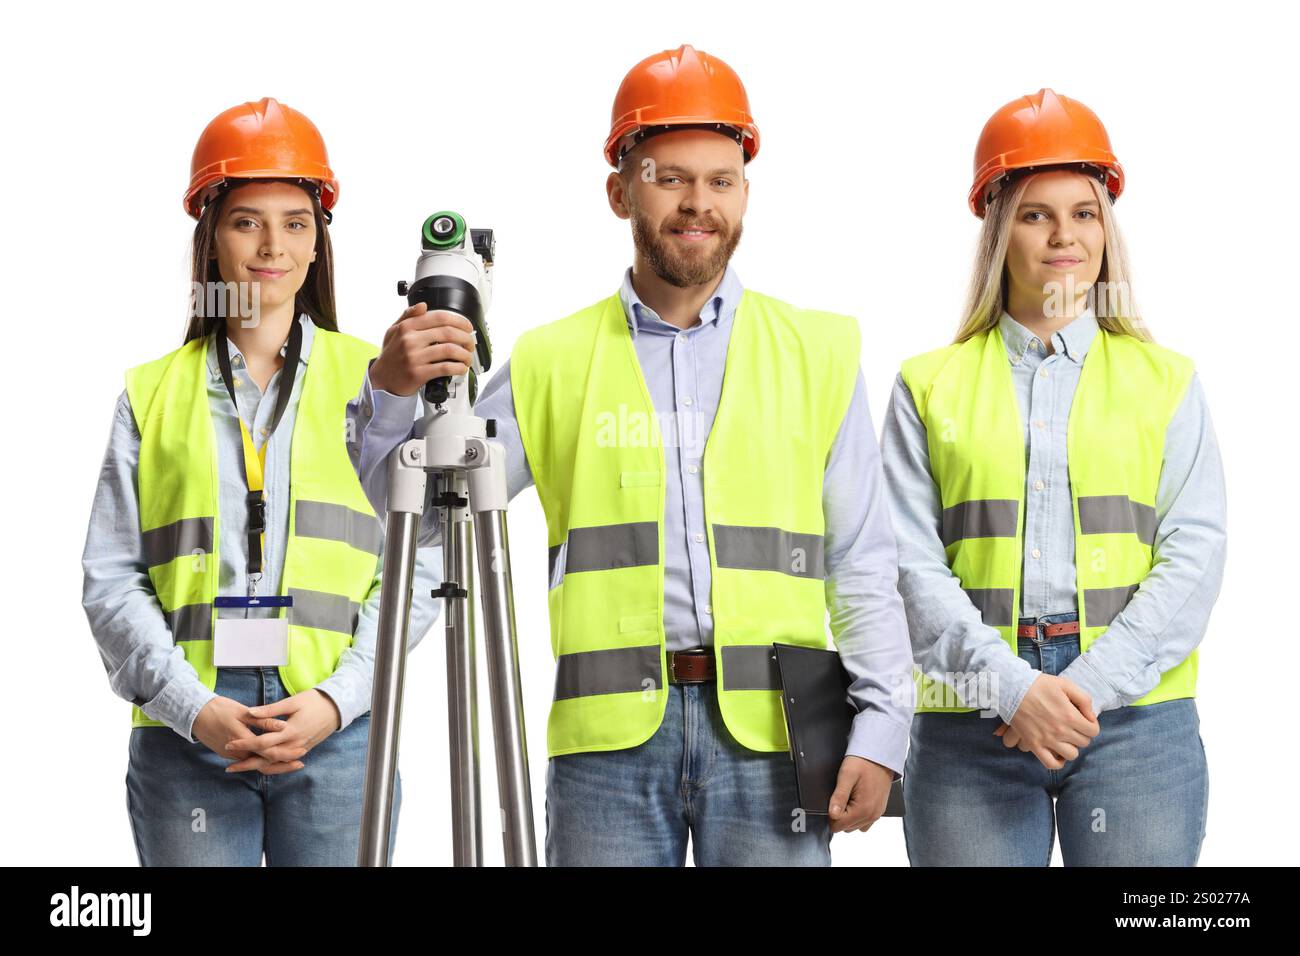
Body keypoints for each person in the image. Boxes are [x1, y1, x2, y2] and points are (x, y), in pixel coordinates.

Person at [349, 44, 914, 867]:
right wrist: (393, 392)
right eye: (670, 177)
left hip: (773, 739)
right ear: (620, 191)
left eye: (720, 180)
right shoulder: (552, 361)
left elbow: (863, 558)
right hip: (608, 750)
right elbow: (427, 522)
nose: (698, 203)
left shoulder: (819, 351)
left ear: (746, 192)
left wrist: (884, 726)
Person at [80, 97, 442, 866]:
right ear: (210, 239)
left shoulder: (377, 382)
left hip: (336, 732)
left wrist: (335, 700)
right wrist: (192, 708)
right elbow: (111, 578)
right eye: (247, 221)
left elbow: (417, 565)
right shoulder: (149, 395)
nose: (272, 245)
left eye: (295, 221)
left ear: (318, 245)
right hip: (189, 740)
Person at [881, 88, 1226, 866]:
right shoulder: (927, 386)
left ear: (1107, 226)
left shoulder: (1166, 381)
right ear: (999, 229)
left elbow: (1194, 556)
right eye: (1037, 214)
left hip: (1137, 722)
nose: (1065, 235)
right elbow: (907, 567)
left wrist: (1081, 691)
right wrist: (1013, 690)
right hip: (971, 720)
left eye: (1084, 211)